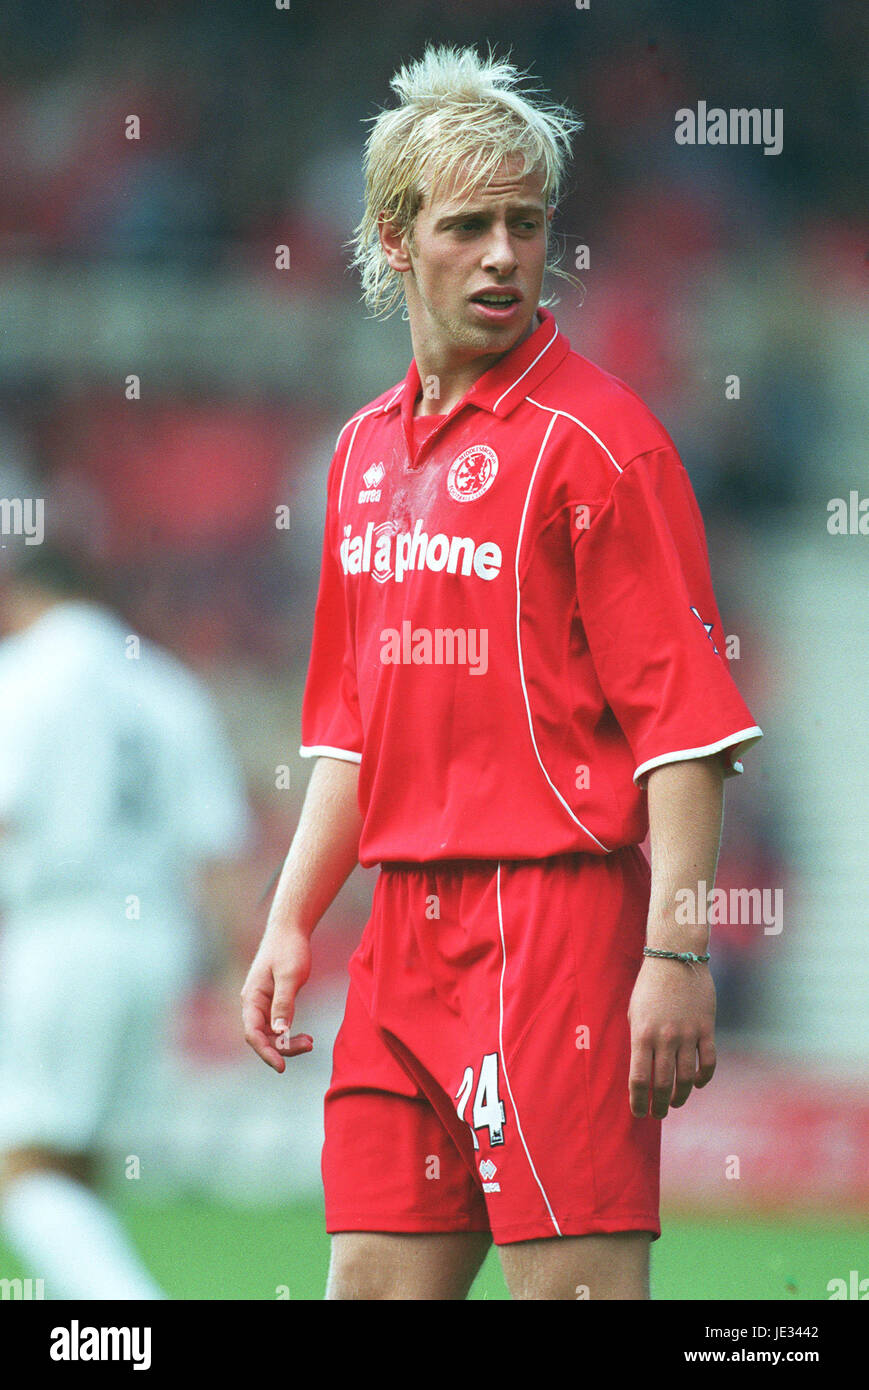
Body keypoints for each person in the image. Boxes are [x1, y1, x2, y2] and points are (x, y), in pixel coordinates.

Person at [242, 44, 763, 1300]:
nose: (501, 256)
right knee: (368, 1287)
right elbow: (353, 732)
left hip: (556, 932)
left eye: (524, 226)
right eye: (466, 226)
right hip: (400, 941)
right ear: (393, 237)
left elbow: (683, 734)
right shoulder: (359, 453)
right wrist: (290, 918)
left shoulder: (600, 443)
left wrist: (675, 954)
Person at [0, 546, 251, 1299]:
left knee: (21, 1166)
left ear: (21, 595)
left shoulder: (26, 676)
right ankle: (98, 1333)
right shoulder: (165, 685)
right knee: (81, 1162)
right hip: (152, 940)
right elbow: (216, 850)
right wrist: (238, 970)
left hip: (58, 932)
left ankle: (129, 1315)